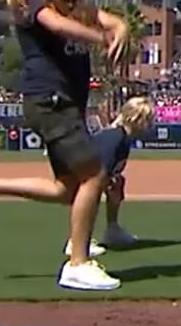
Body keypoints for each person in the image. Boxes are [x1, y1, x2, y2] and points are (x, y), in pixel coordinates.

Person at [0, 0, 129, 291]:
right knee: (94, 175)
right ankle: (77, 263)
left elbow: (108, 19)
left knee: (68, 189)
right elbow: (56, 26)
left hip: (65, 102)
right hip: (50, 99)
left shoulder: (75, 5)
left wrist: (122, 28)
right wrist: (101, 38)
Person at [63, 96, 156, 259]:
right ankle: (76, 241)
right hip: (79, 174)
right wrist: (107, 183)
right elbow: (96, 172)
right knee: (95, 191)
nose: (151, 124)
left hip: (89, 172)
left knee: (117, 183)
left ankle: (112, 230)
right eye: (148, 119)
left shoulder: (123, 137)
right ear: (137, 120)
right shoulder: (115, 137)